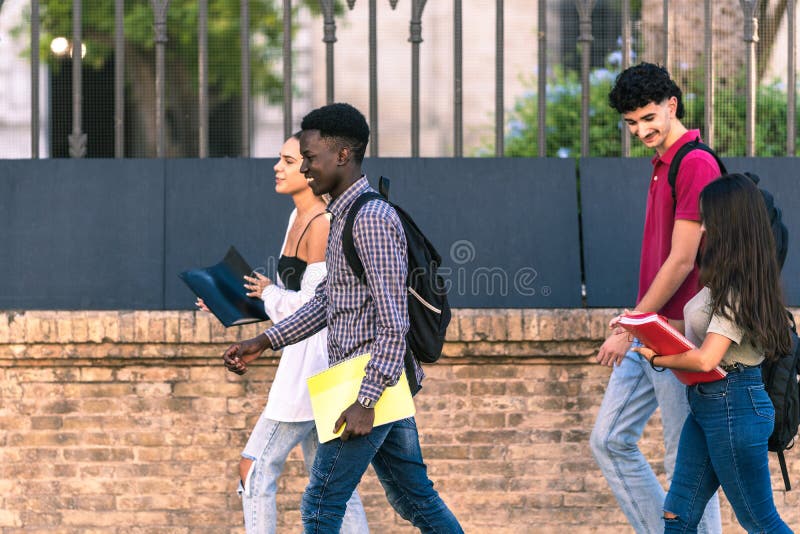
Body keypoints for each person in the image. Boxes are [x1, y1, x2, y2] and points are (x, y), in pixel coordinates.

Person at [221, 103, 463, 533]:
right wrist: (265, 341)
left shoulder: (369, 218)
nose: (307, 168)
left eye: (311, 158)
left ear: (343, 155)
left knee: (319, 505)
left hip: (367, 384)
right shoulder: (344, 214)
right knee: (414, 497)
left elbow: (393, 321)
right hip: (369, 381)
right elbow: (329, 300)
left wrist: (365, 401)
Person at [199, 132, 369, 534]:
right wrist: (229, 302)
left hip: (312, 369)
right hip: (303, 363)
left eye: (290, 161)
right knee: (332, 486)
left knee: (254, 469)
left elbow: (321, 305)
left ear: (312, 169)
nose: (279, 167)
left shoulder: (325, 224)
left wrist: (270, 293)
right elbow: (289, 300)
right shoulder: (297, 217)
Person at [589, 63, 723, 533]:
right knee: (608, 440)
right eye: (631, 123)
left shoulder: (696, 163)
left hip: (680, 336)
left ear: (672, 105)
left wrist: (629, 324)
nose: (640, 130)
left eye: (648, 117)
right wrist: (637, 321)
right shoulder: (662, 163)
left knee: (684, 461)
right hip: (651, 327)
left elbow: (683, 260)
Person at [626, 174, 794, 533]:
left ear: (728, 223)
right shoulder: (722, 281)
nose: (701, 229)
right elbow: (700, 338)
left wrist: (656, 358)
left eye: (707, 220)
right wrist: (645, 326)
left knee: (759, 521)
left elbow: (706, 359)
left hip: (735, 405)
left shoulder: (738, 288)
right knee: (678, 513)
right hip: (707, 404)